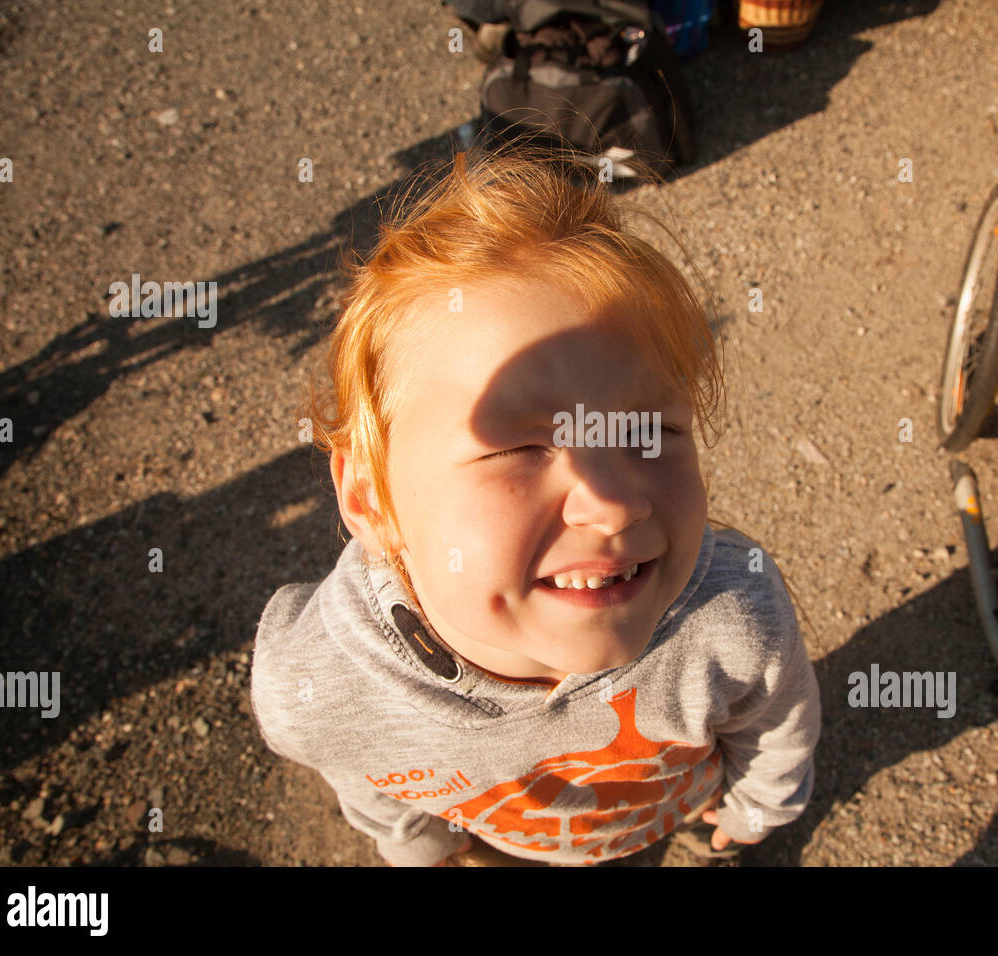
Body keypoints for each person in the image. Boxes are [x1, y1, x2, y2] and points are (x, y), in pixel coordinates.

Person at [250, 141, 821, 866]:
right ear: (371, 497)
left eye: (649, 431)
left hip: (648, 830)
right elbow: (361, 768)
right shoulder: (321, 683)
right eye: (518, 448)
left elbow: (777, 720)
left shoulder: (733, 616)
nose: (612, 504)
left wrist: (761, 802)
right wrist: (418, 847)